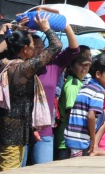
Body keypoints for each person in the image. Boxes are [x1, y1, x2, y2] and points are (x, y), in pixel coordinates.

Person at [0, 15, 62, 172]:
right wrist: (46, 29)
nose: (35, 49)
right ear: (25, 49)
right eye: (32, 45)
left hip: (7, 132)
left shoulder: (4, 64)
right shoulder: (21, 69)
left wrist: (16, 31)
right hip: (9, 136)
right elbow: (56, 46)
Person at [28, 14, 80, 165]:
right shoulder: (21, 67)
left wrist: (65, 24)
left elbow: (74, 50)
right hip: (22, 130)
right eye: (34, 47)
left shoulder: (53, 65)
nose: (38, 50)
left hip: (44, 131)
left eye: (41, 47)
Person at [64, 54, 105, 157]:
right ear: (98, 74)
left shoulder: (88, 85)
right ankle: (94, 147)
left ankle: (94, 147)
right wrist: (93, 141)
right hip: (79, 140)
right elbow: (91, 116)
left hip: (71, 136)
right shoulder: (98, 91)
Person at [54, 51, 92, 160]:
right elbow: (71, 114)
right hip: (69, 141)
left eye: (88, 65)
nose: (85, 68)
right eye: (81, 65)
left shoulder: (78, 83)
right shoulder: (73, 86)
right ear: (71, 66)